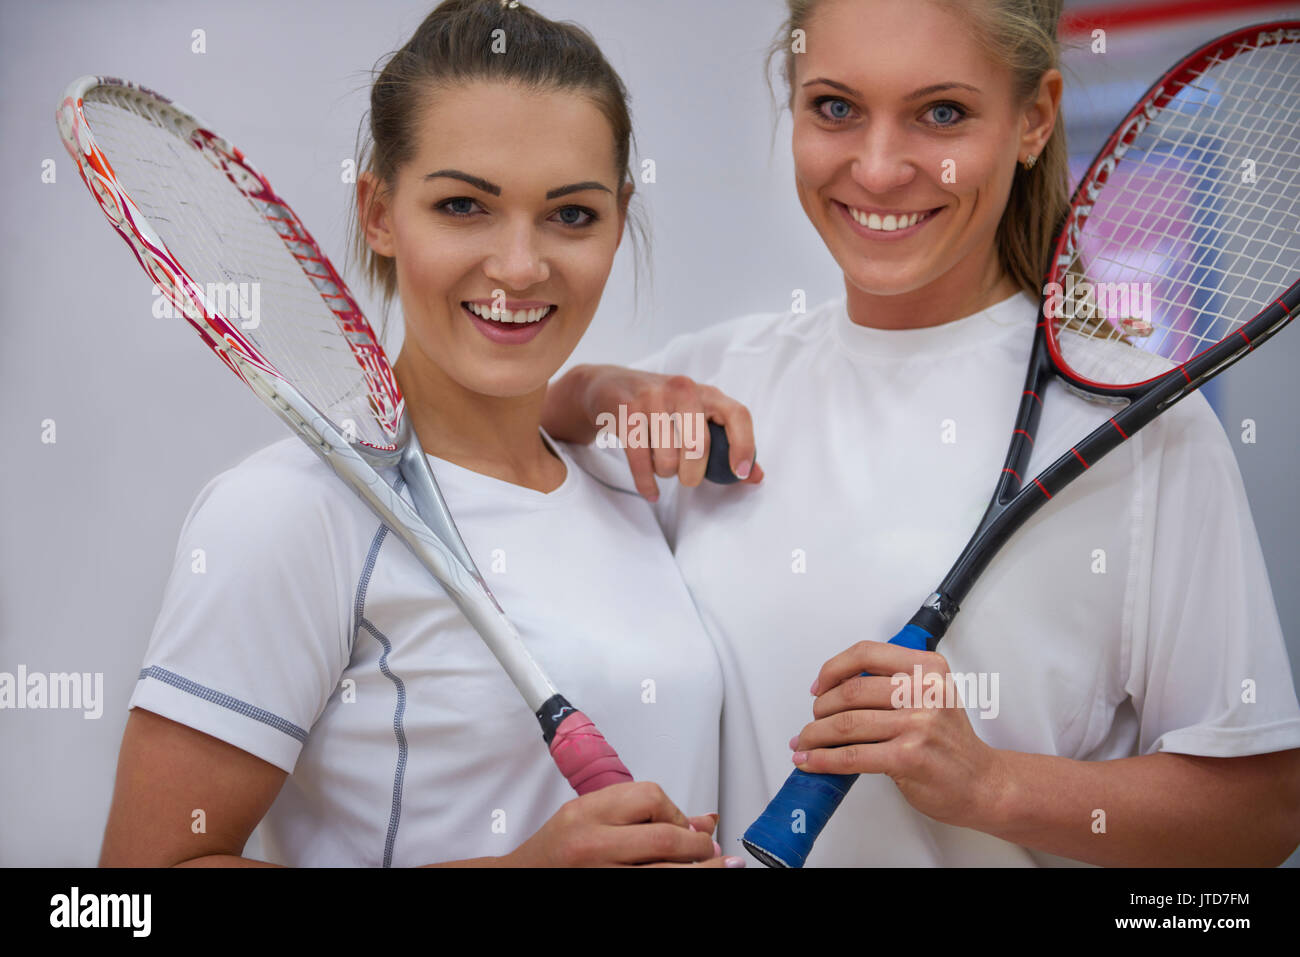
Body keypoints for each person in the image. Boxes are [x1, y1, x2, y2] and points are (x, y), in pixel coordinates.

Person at [544, 0, 1300, 865]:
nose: (877, 167)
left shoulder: (1141, 428)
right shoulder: (718, 374)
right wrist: (596, 387)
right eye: (835, 108)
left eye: (941, 113)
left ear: (1034, 118)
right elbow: (513, 428)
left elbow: (1264, 809)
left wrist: (992, 785)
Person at [99, 0, 743, 868]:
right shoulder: (284, 516)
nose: (520, 266)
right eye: (464, 205)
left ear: (619, 220)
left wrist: (596, 393)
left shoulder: (630, 492)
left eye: (572, 214)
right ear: (379, 212)